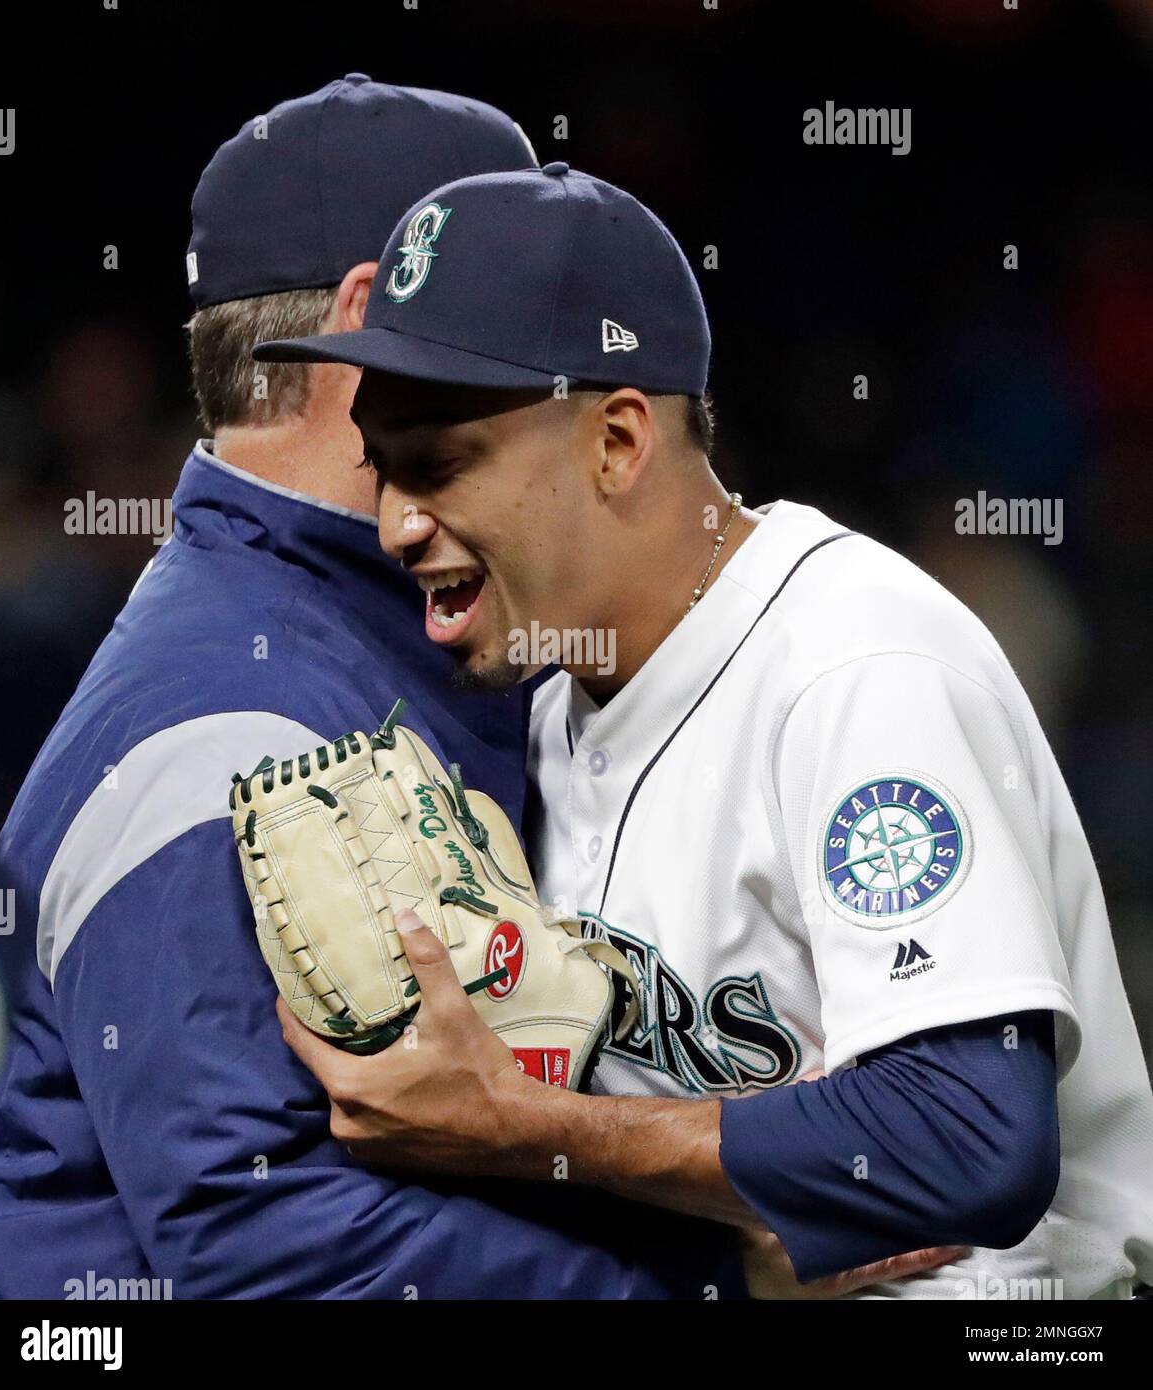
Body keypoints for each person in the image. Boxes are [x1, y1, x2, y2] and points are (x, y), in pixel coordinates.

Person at [257, 162, 1153, 1300]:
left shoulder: (857, 666)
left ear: (619, 441)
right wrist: (719, 1220)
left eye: (440, 464)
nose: (396, 523)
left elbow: (970, 1139)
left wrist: (522, 1126)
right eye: (384, 471)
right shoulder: (544, 709)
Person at [0, 81, 766, 1301]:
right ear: (364, 320)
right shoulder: (218, 713)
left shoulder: (413, 628)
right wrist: (708, 1285)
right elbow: (253, 1232)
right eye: (519, 316)